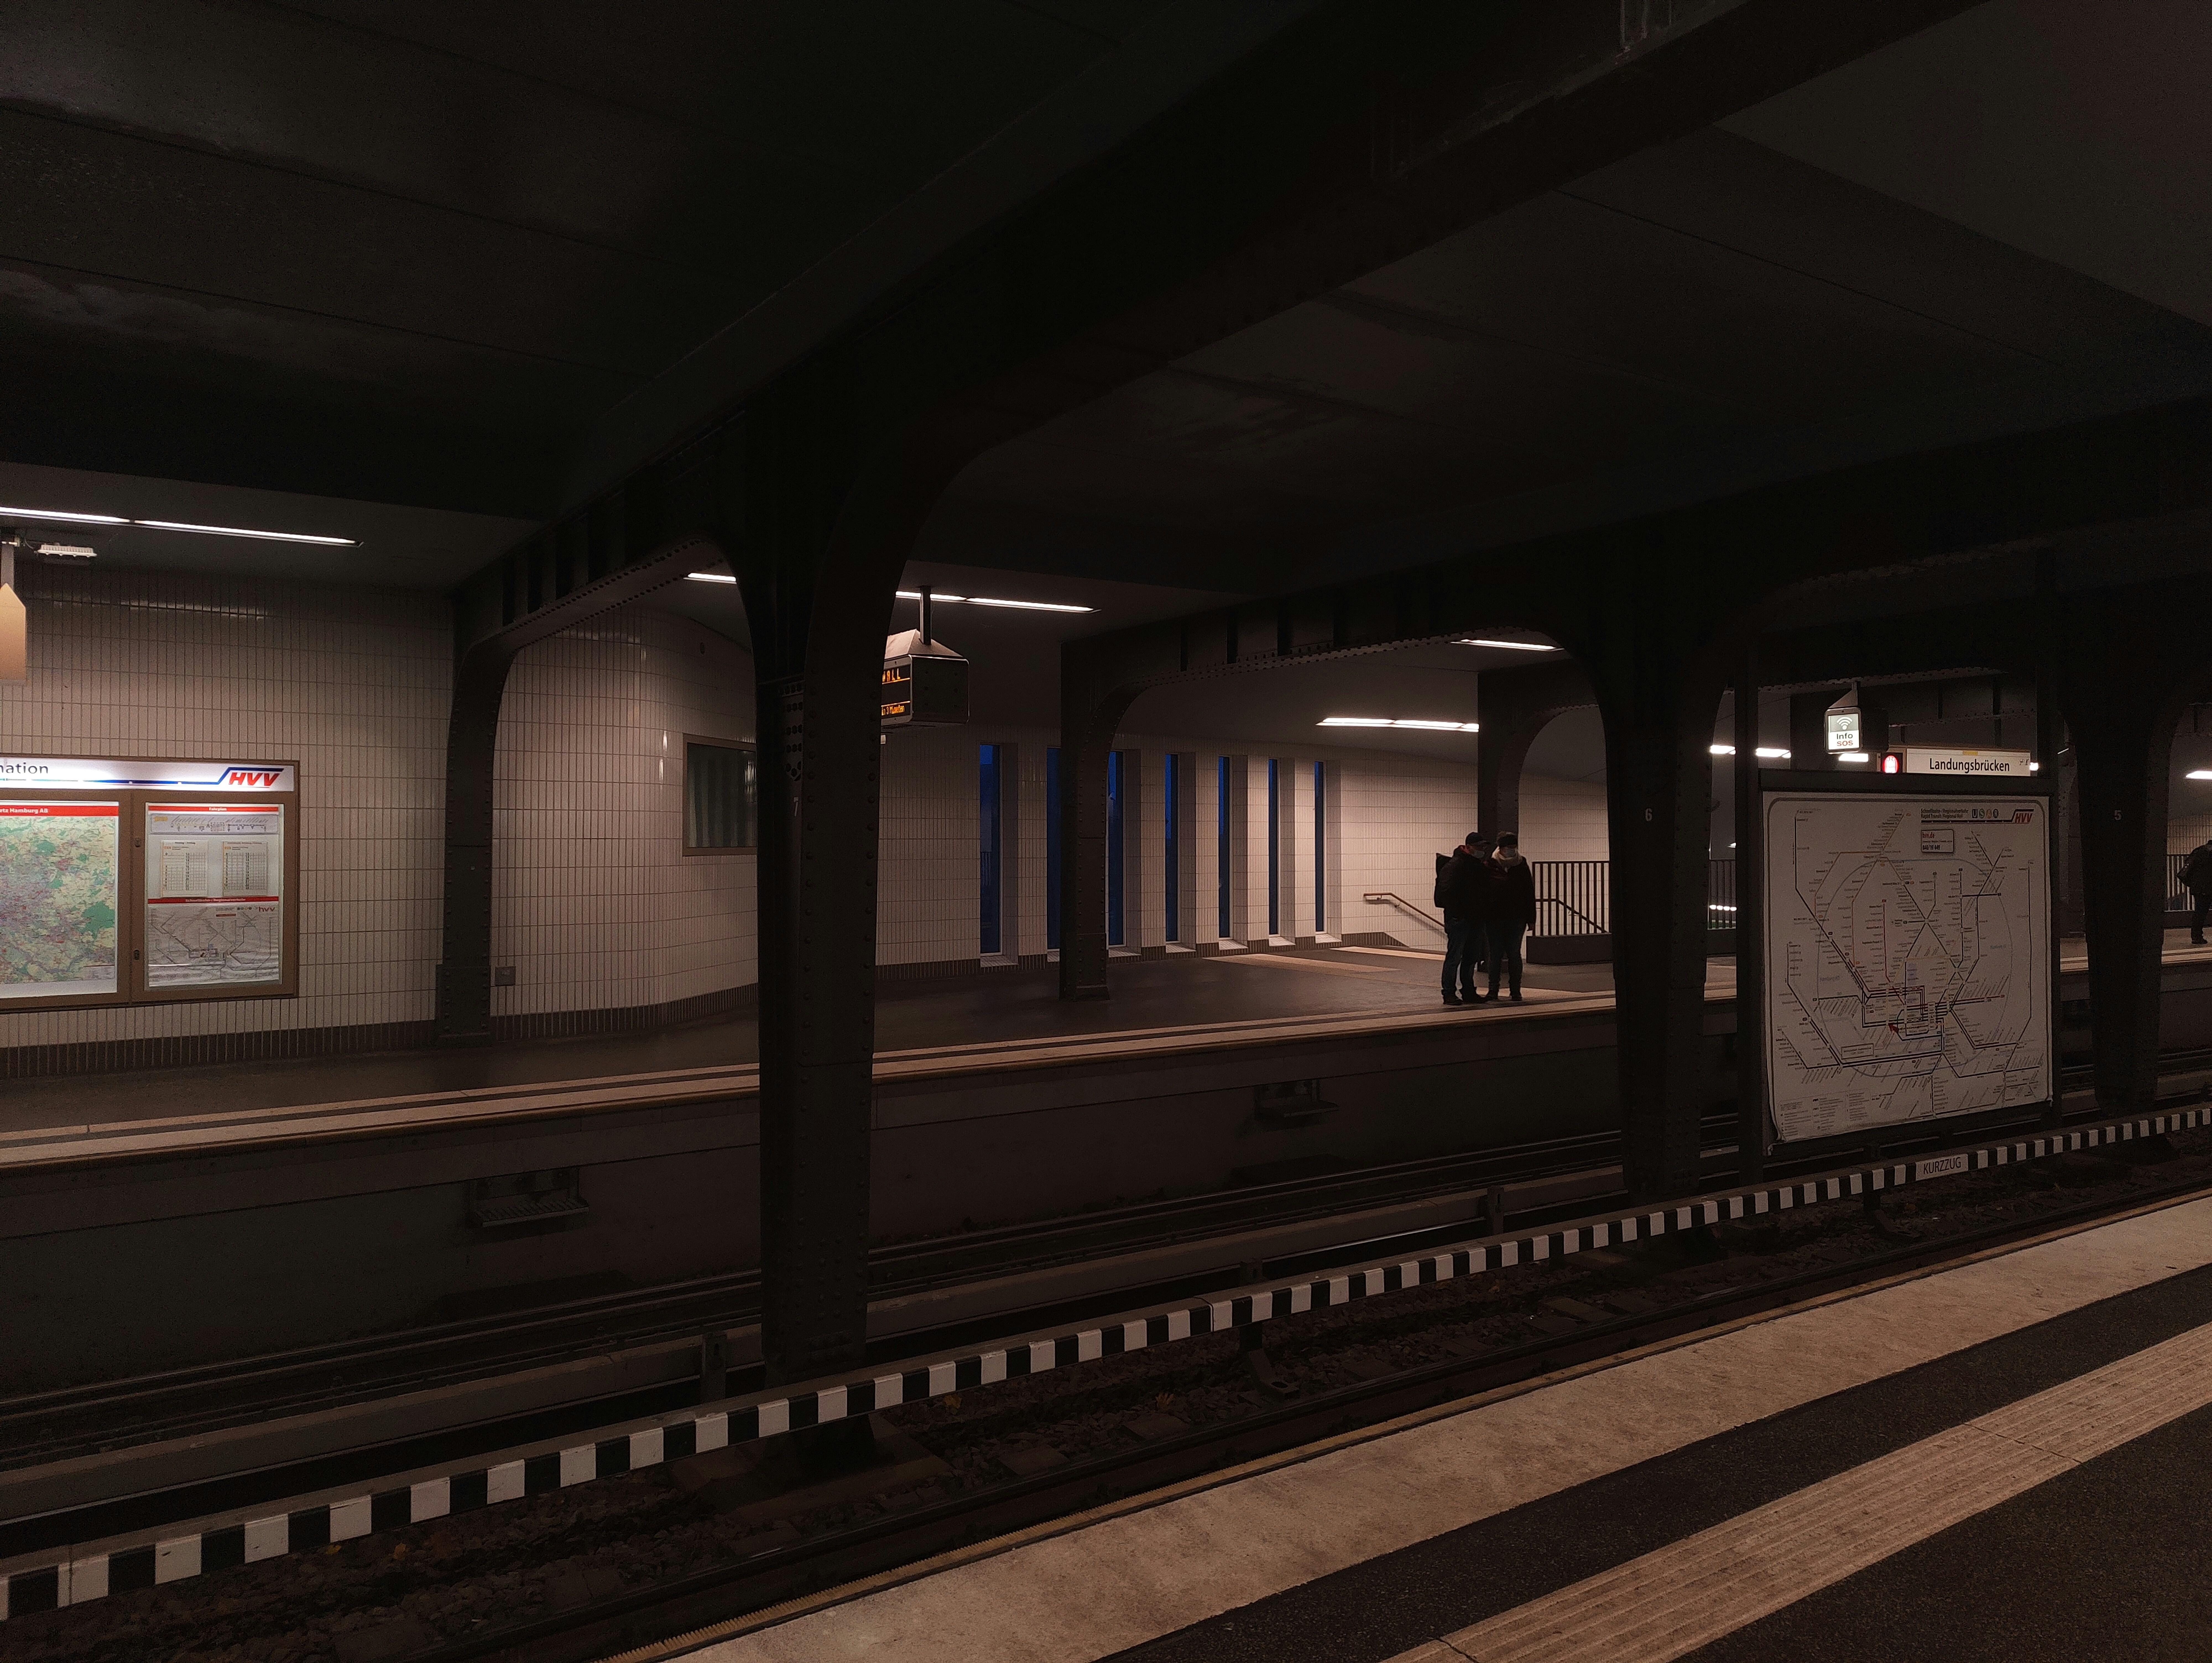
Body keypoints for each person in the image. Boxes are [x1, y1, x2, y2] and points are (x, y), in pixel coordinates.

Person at [1433, 832, 1496, 1005]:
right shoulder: (1455, 865)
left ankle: (1468, 992)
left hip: (1474, 919)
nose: (1482, 850)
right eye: (1479, 847)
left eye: (1484, 847)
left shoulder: (1476, 866)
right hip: (1460, 919)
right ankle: (1450, 993)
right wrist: (1460, 911)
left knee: (1470, 958)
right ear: (1468, 847)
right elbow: (1444, 894)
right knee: (1456, 958)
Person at [1485, 832, 1536, 1003]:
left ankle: (1516, 991)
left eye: (1514, 847)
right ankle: (1493, 990)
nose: (1512, 850)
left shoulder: (1521, 864)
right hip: (1495, 917)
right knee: (1495, 954)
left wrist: (1531, 919)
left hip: (1517, 917)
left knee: (1514, 954)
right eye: (1509, 847)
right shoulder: (1490, 864)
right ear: (1501, 848)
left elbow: (1529, 892)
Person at [2183, 837, 2212, 946]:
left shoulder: (2198, 851)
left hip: (2198, 887)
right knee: (2201, 912)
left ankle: (2197, 936)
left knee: (2200, 912)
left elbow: (2189, 865)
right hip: (2208, 886)